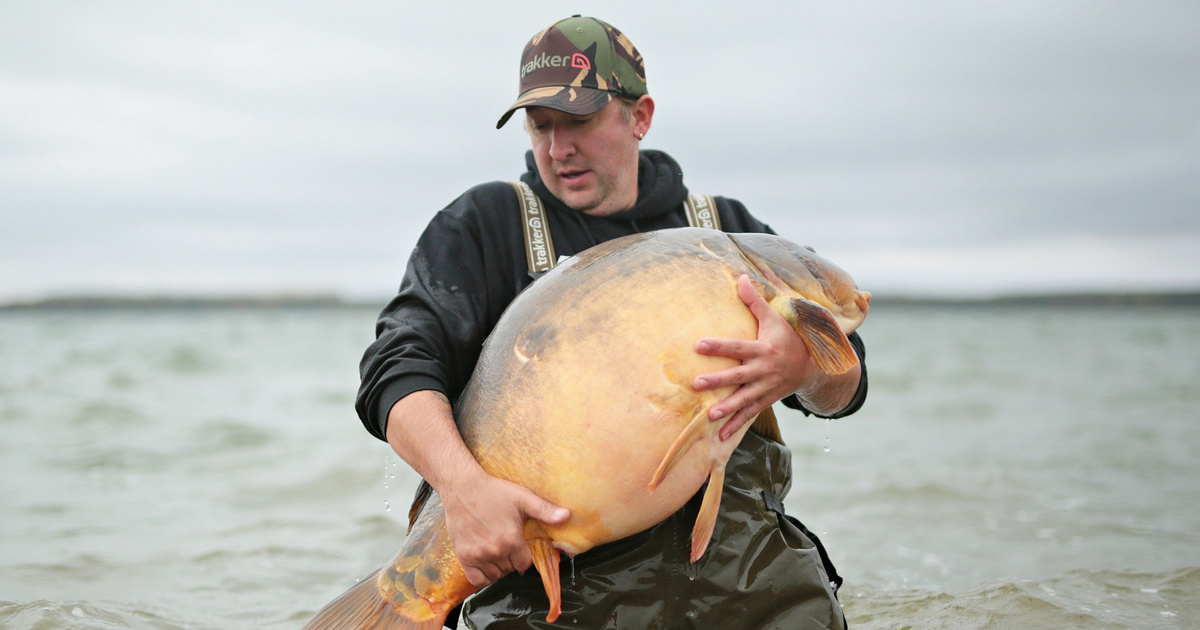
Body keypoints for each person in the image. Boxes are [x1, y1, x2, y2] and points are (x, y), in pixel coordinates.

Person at [356, 15, 867, 630]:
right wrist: (463, 490)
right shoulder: (486, 225)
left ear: (639, 117)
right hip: (562, 606)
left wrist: (801, 368)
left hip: (752, 585)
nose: (556, 148)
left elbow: (845, 388)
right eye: (540, 126)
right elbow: (394, 371)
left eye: (578, 122)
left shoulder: (724, 226)